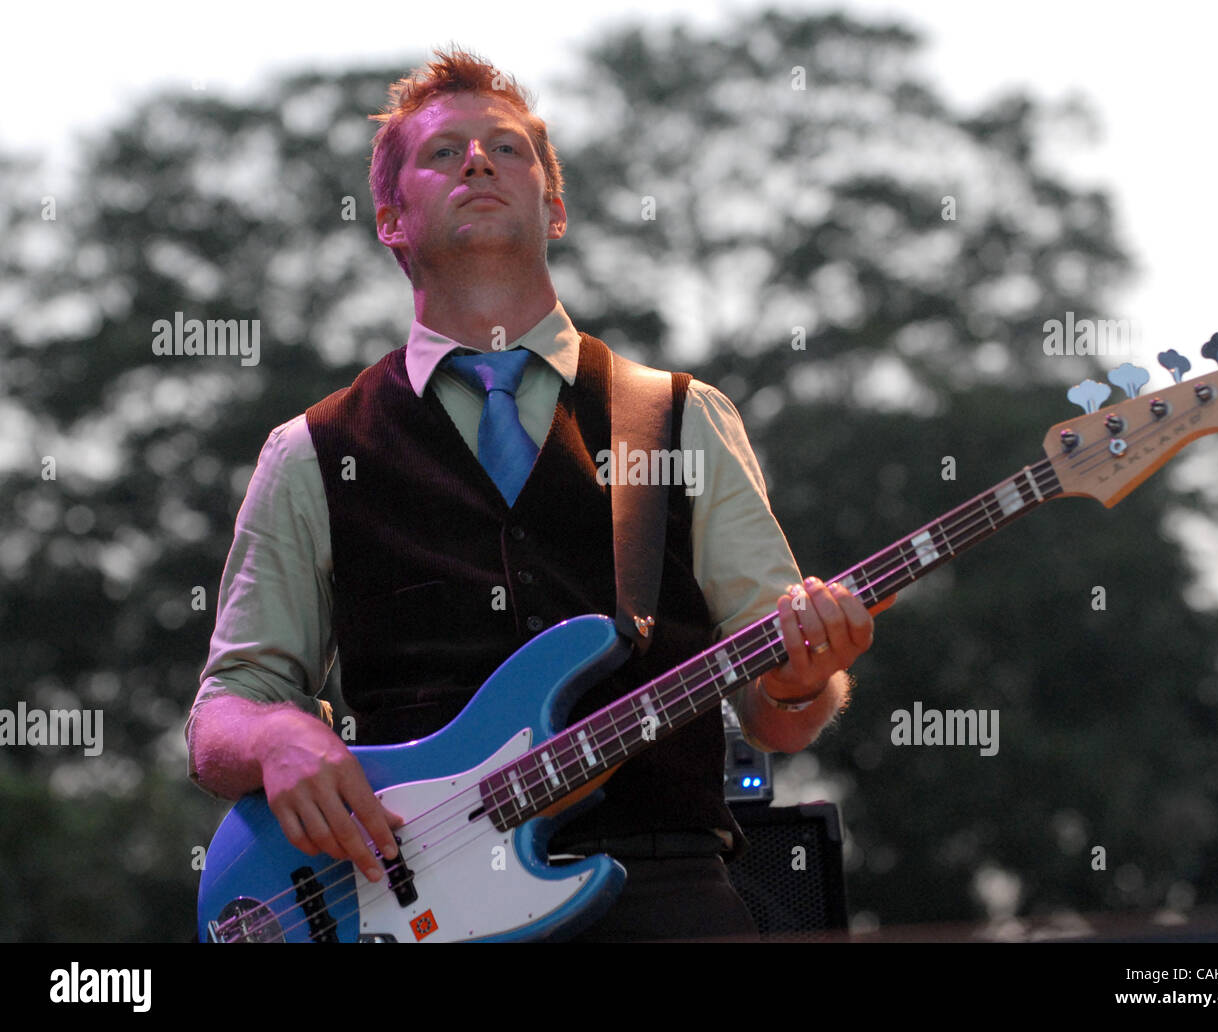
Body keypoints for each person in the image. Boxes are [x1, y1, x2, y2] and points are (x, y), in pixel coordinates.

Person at [186, 48, 878, 941]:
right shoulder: (312, 451)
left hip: (665, 899)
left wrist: (806, 673)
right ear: (391, 218)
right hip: (410, 908)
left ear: (554, 206)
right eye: (442, 154)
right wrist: (279, 739)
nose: (477, 162)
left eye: (507, 149)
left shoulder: (680, 416)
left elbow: (781, 717)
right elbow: (220, 719)